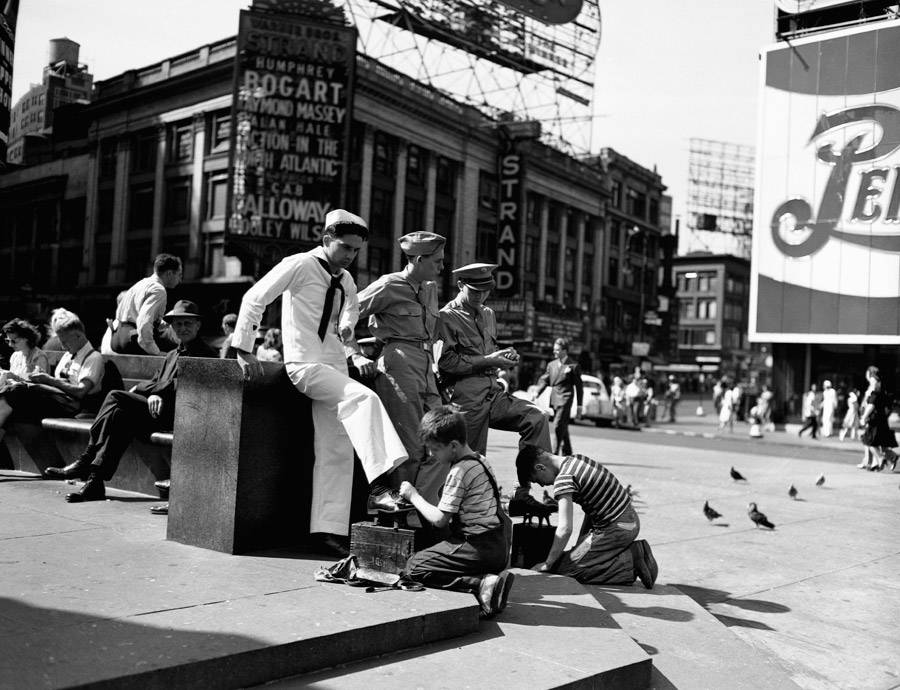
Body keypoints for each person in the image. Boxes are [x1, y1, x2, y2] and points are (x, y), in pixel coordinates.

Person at [231, 209, 409, 557]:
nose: (350, 256)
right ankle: (380, 486)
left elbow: (350, 316)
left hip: (334, 367)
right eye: (344, 247)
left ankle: (326, 531)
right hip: (304, 366)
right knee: (366, 400)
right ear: (326, 239)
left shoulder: (345, 280)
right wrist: (243, 349)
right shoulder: (299, 264)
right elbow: (255, 297)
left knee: (336, 448)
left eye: (356, 250)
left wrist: (349, 338)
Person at [44, 300, 217, 502]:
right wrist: (154, 393)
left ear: (198, 325)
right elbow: (156, 382)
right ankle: (95, 482)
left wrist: (152, 391)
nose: (182, 328)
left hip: (183, 416)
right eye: (178, 324)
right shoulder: (172, 354)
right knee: (119, 416)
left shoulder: (206, 354)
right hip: (157, 411)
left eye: (187, 323)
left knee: (115, 396)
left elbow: (184, 385)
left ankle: (87, 457)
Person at [399, 406, 515, 618]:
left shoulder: (459, 471)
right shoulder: (481, 460)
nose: (431, 455)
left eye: (434, 449)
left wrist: (413, 495)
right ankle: (489, 577)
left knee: (414, 567)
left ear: (453, 446)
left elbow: (440, 520)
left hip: (478, 547)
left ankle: (481, 584)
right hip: (499, 546)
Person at [357, 231, 446, 504]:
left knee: (442, 437)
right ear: (418, 260)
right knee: (410, 443)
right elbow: (344, 313)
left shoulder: (428, 288)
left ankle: (424, 506)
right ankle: (401, 512)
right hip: (399, 362)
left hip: (425, 364)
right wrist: (354, 354)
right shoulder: (388, 285)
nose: (442, 268)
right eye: (437, 262)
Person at [437, 263, 551, 460]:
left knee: (536, 417)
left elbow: (490, 352)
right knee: (471, 460)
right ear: (460, 285)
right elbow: (446, 363)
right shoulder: (446, 317)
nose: (480, 296)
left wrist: (504, 358)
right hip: (466, 397)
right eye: (475, 291)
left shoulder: (489, 314)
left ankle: (525, 485)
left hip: (493, 392)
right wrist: (489, 360)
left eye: (486, 291)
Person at [515, 444, 658, 588]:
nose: (541, 485)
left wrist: (547, 564)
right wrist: (581, 545)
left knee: (570, 571)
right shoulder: (576, 460)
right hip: (627, 521)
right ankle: (625, 556)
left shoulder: (563, 480)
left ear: (540, 467)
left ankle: (632, 560)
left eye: (536, 480)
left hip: (617, 529)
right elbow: (592, 509)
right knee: (566, 559)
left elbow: (565, 529)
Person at [0, 313, 104, 445]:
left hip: (73, 406)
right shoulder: (68, 355)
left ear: (78, 336)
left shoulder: (93, 357)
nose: (62, 346)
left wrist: (48, 380)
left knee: (16, 391)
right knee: (12, 399)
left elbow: (80, 391)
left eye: (65, 342)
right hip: (57, 399)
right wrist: (42, 378)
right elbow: (55, 382)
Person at [102, 253, 183, 356]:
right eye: (179, 275)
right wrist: (156, 352)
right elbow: (144, 323)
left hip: (116, 340)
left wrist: (162, 323)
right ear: (169, 274)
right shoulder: (158, 289)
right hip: (131, 340)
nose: (180, 280)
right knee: (180, 350)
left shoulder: (141, 283)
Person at [533, 338, 583, 456]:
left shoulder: (574, 366)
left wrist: (579, 406)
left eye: (557, 350)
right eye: (554, 350)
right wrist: (536, 393)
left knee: (557, 425)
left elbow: (579, 387)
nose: (554, 352)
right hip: (554, 398)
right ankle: (568, 452)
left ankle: (554, 454)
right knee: (562, 426)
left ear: (564, 351)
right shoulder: (551, 365)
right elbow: (545, 380)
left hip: (566, 399)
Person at [859, 367, 897, 471]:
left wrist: (864, 417)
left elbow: (871, 405)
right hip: (880, 418)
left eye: (873, 381)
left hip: (874, 419)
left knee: (869, 441)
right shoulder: (881, 390)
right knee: (878, 441)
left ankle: (880, 459)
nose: (872, 383)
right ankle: (884, 459)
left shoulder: (874, 392)